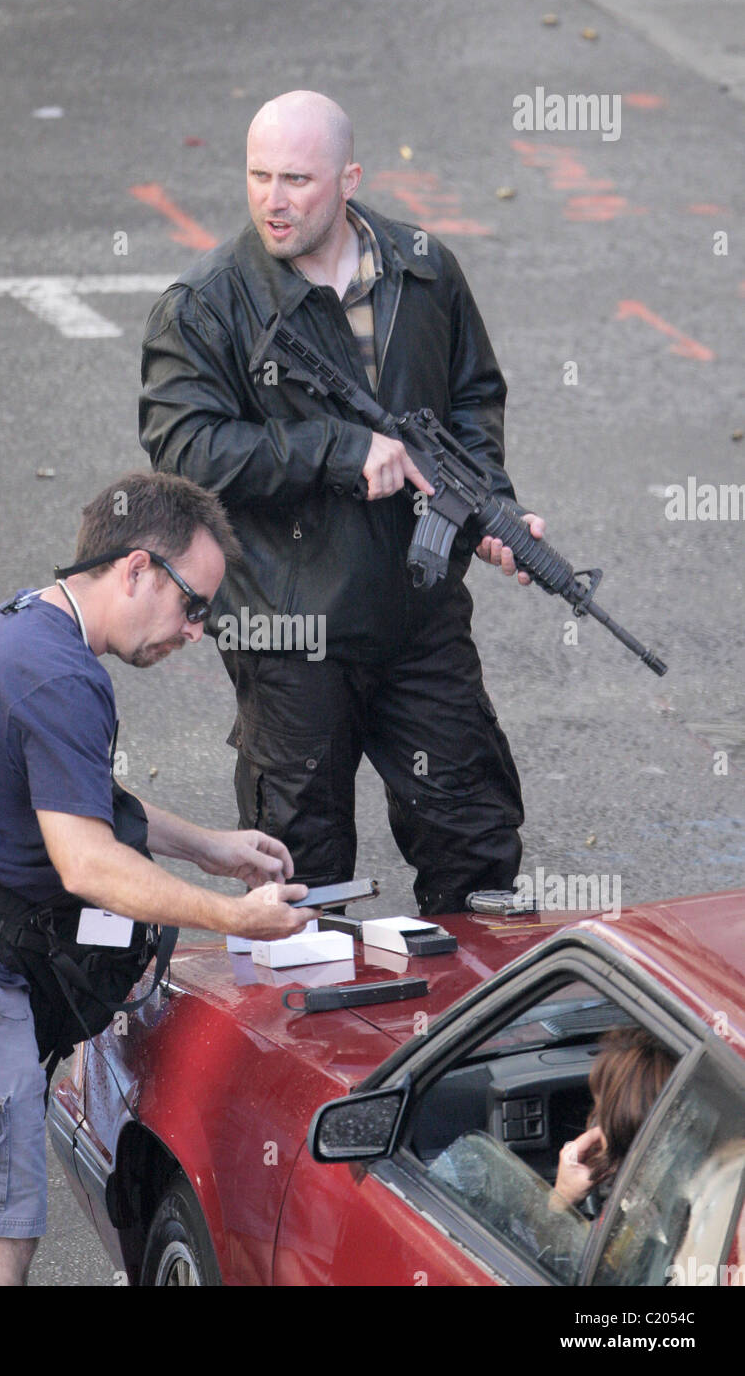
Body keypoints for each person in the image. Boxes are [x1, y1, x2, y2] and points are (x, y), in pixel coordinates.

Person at [0, 470, 312, 1286]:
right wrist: (236, 917)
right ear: (135, 568)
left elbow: (73, 792)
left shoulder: (27, 626)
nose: (197, 630)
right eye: (193, 604)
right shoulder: (63, 677)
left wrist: (207, 845)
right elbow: (89, 862)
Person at [139, 90, 545, 919]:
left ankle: (465, 1037)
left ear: (349, 178)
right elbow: (184, 449)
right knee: (302, 873)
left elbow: (471, 400)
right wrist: (336, 449)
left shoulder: (422, 268)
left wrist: (492, 512)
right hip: (289, 627)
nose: (273, 201)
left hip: (417, 616)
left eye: (297, 179)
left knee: (473, 843)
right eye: (258, 176)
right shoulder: (208, 302)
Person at [553, 1025, 678, 1211]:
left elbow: (544, 1240)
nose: (595, 1122)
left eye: (600, 1109)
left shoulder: (641, 1211)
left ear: (618, 1123)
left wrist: (562, 1197)